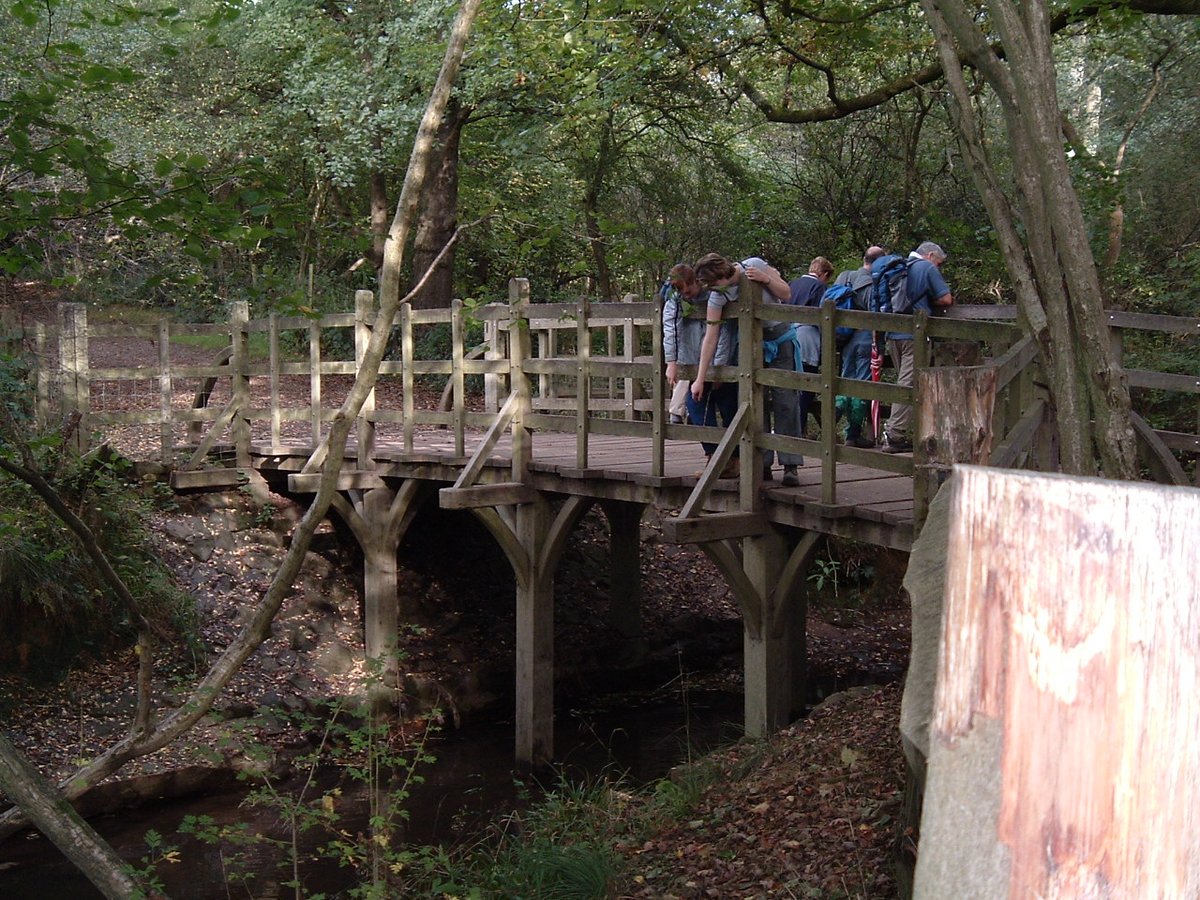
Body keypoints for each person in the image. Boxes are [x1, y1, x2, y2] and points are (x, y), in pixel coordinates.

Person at [693, 253, 803, 486]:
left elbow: (786, 293)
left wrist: (766, 279)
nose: (713, 289)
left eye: (714, 284)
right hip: (751, 345)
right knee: (755, 403)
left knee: (786, 401)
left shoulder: (754, 265)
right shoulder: (717, 295)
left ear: (723, 275)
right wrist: (700, 378)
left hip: (781, 339)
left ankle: (790, 464)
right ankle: (761, 462)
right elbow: (710, 337)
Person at [877, 241, 954, 453]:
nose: (938, 267)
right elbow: (946, 299)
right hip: (914, 336)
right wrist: (930, 302)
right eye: (939, 263)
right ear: (930, 256)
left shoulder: (900, 268)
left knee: (907, 382)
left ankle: (905, 432)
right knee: (908, 384)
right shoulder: (926, 267)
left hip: (893, 334)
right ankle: (894, 435)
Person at [661, 263, 737, 472]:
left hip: (721, 361)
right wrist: (671, 362)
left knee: (729, 407)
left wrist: (718, 368)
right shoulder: (674, 300)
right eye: (683, 292)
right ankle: (713, 457)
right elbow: (671, 330)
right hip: (693, 362)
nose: (688, 295)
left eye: (690, 290)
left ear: (696, 281)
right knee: (696, 407)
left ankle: (736, 460)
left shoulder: (715, 294)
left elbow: (723, 336)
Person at [833, 246, 886, 448]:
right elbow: (877, 318)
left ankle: (828, 428)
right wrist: (879, 348)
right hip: (865, 339)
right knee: (861, 387)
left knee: (845, 384)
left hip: (845, 338)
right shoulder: (873, 282)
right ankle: (852, 435)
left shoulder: (845, 276)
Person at [787, 256, 835, 441]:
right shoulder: (819, 287)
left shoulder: (792, 284)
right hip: (808, 335)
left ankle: (795, 426)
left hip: (789, 334)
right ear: (823, 274)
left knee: (792, 383)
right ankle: (799, 429)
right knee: (808, 382)